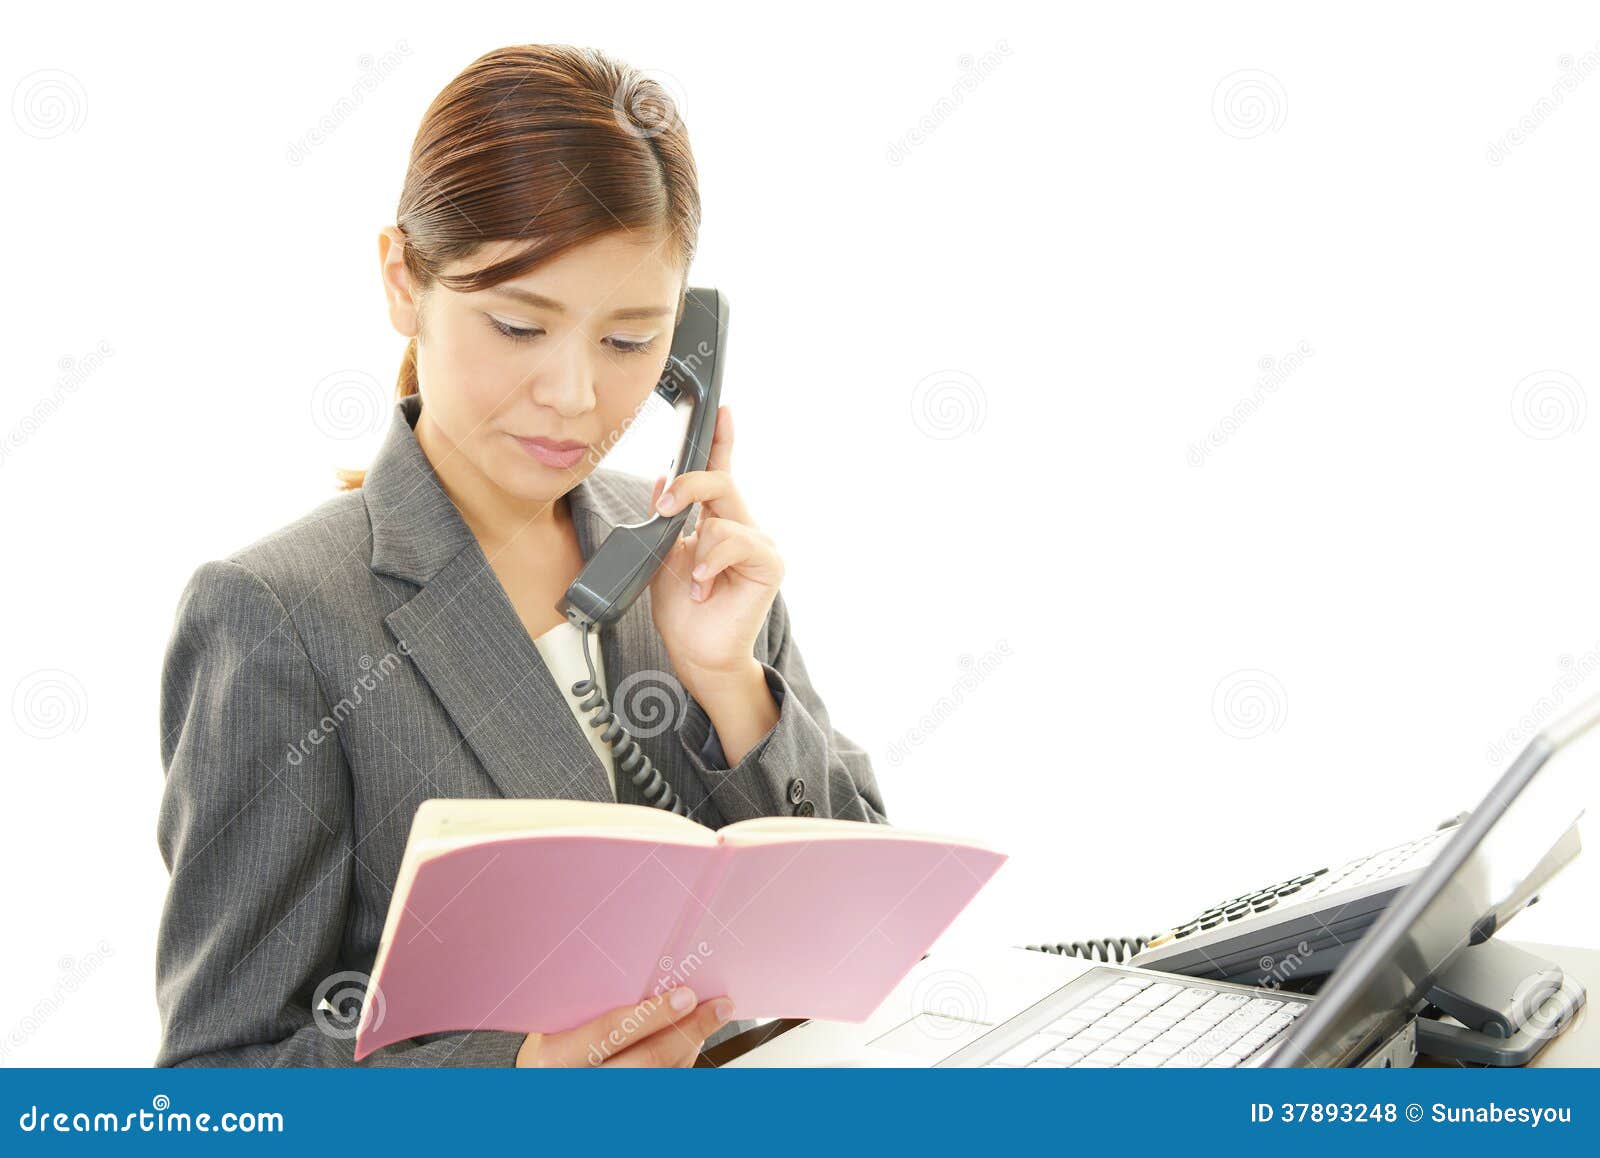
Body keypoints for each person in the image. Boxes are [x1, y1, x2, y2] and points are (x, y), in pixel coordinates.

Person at [154, 43, 887, 1068]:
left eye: (628, 341)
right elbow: (218, 1083)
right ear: (403, 281)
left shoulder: (688, 556)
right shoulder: (276, 615)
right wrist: (516, 1077)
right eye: (517, 325)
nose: (576, 397)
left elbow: (862, 933)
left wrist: (730, 684)